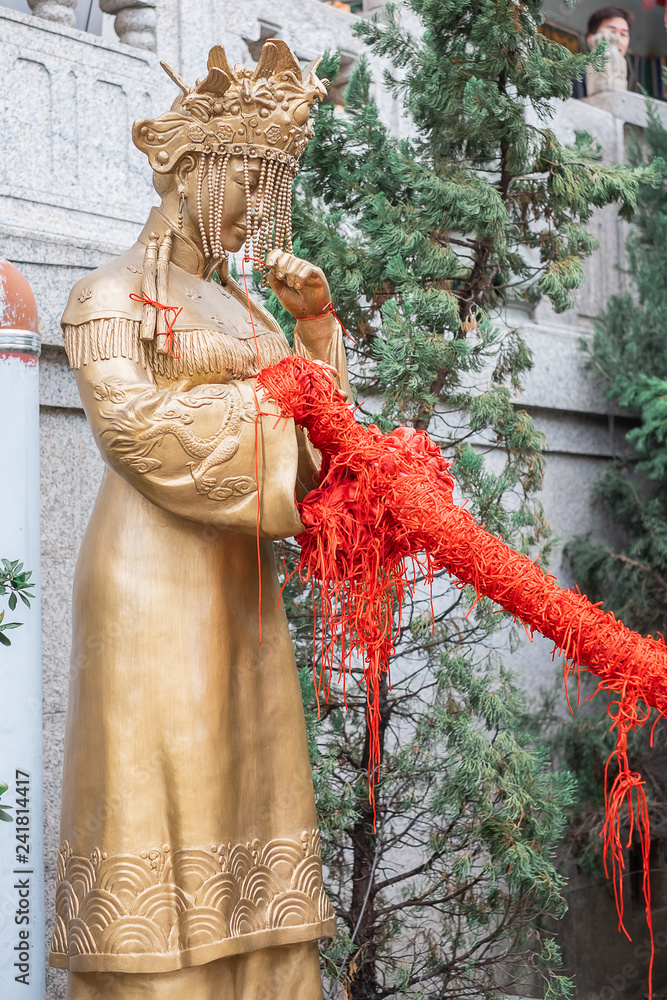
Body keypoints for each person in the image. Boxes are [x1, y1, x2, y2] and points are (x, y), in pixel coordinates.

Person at [49, 40, 349, 1000]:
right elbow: (137, 433)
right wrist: (271, 408)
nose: (254, 210)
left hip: (240, 588)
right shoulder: (106, 297)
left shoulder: (247, 313)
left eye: (268, 188)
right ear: (190, 171)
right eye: (246, 183)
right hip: (149, 584)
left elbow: (326, 445)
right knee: (160, 795)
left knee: (251, 797)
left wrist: (315, 334)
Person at [571, 6, 633, 98]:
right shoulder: (575, 73)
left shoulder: (627, 75)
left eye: (623, 34)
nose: (617, 39)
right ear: (591, 38)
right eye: (611, 32)